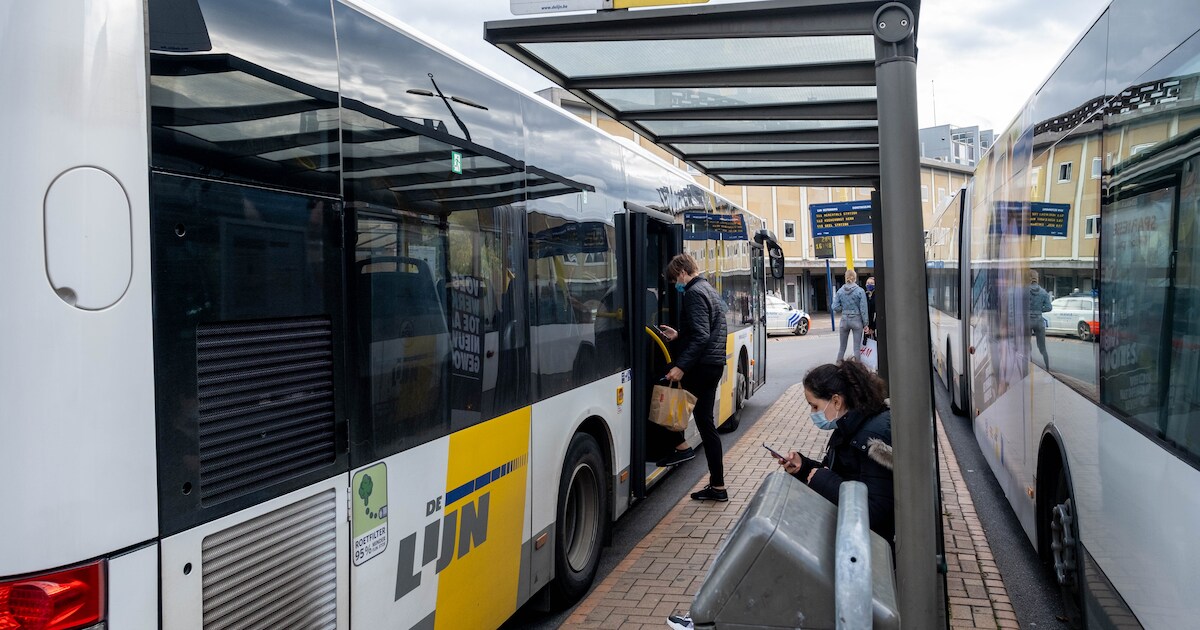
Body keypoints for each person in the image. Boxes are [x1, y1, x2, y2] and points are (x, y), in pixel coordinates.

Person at [774, 360, 895, 541]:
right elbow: (837, 473)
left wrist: (822, 481)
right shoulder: (850, 426)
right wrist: (803, 467)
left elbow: (876, 511)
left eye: (815, 406)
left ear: (836, 401)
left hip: (871, 545)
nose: (812, 413)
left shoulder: (871, 439)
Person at [656, 253, 731, 502]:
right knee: (706, 425)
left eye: (674, 279)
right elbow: (706, 330)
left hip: (701, 366)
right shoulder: (708, 289)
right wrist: (679, 335)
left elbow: (701, 336)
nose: (675, 285)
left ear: (682, 272)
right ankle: (718, 486)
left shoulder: (693, 293)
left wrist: (681, 367)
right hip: (712, 365)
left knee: (663, 390)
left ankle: (681, 447)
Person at [831, 269, 868, 362]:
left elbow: (834, 307)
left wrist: (843, 309)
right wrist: (866, 324)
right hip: (857, 320)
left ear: (845, 277)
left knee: (842, 347)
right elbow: (863, 309)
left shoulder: (840, 291)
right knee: (856, 348)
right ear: (855, 278)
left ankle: (838, 365)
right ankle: (857, 367)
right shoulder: (860, 291)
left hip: (844, 320)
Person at [1027, 270, 1053, 370]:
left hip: (1027, 321)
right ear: (1037, 279)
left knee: (1027, 345)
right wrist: (1039, 310)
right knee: (1042, 347)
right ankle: (1047, 368)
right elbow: (1049, 307)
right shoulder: (1043, 292)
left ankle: (1029, 367)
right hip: (1039, 320)